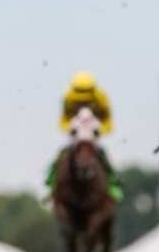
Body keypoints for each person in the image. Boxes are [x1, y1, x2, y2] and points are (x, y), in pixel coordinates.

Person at [46, 71, 122, 201]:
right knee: (62, 154)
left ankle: (113, 185)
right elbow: (63, 121)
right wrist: (71, 129)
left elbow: (109, 123)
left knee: (102, 155)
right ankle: (51, 185)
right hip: (77, 134)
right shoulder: (68, 98)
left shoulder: (102, 98)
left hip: (93, 133)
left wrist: (99, 130)